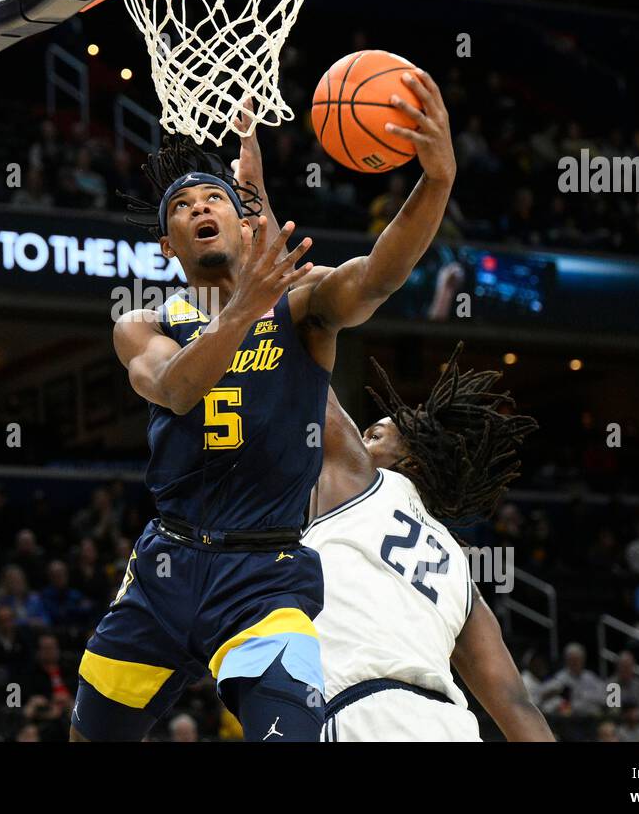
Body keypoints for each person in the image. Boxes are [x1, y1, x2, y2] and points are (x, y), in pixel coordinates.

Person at [75, 72, 458, 742]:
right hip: (165, 566)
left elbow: (378, 277)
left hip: (265, 577)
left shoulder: (300, 305)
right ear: (169, 244)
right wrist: (242, 309)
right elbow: (175, 389)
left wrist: (435, 183)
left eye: (213, 198)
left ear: (240, 220)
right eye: (182, 206)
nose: (200, 208)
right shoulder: (143, 325)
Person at [303, 349, 552, 741]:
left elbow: (307, 375)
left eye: (373, 436)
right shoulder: (459, 569)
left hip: (365, 715)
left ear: (412, 463)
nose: (359, 443)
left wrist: (256, 303)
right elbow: (516, 704)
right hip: (452, 727)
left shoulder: (354, 480)